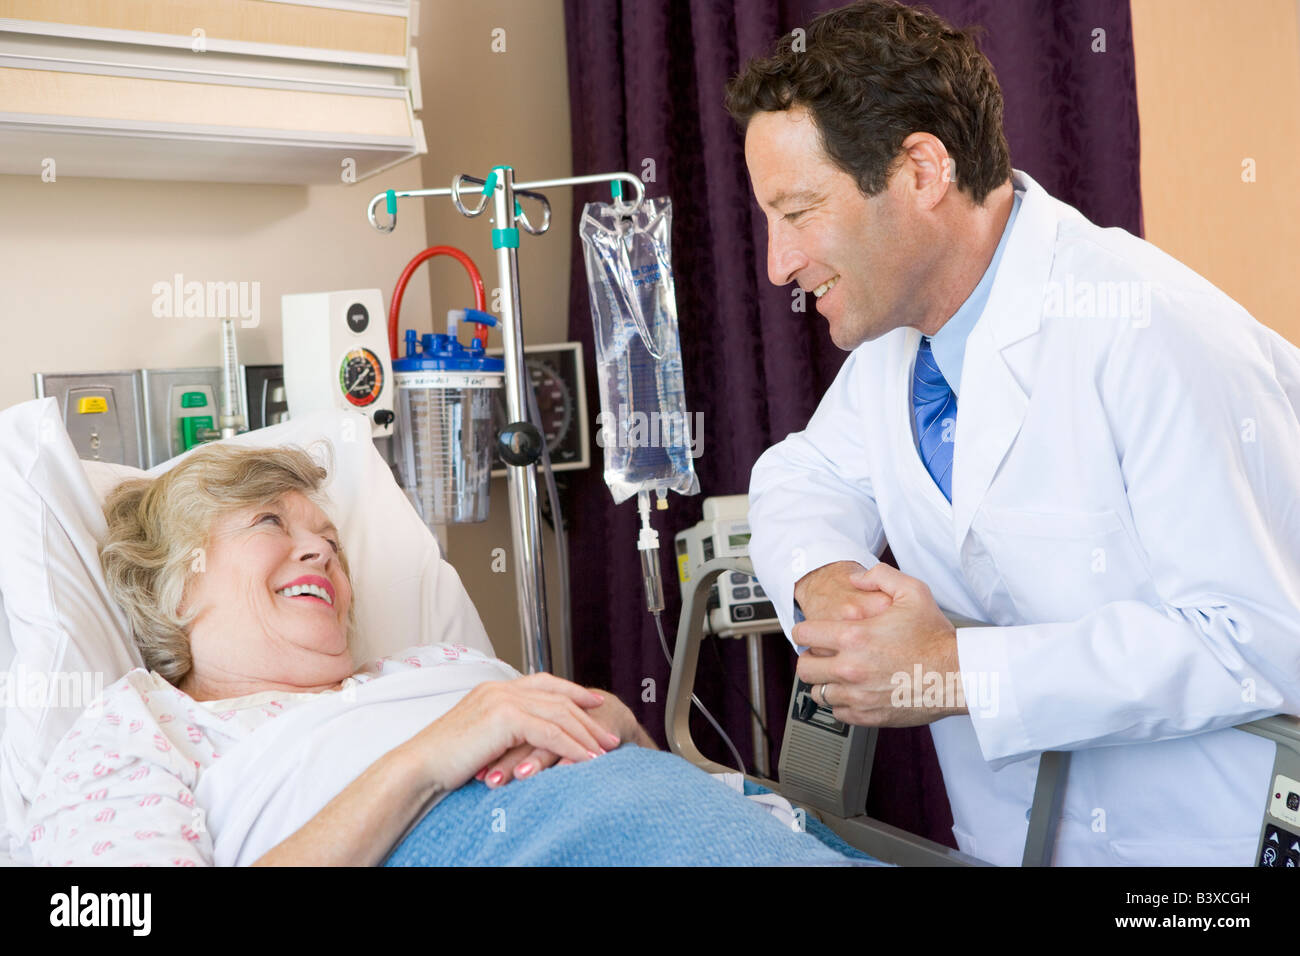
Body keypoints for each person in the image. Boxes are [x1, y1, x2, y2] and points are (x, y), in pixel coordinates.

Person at [729, 0, 1300, 866]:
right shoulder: (903, 339)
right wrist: (825, 577)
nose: (778, 265)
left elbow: (1260, 639)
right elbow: (805, 475)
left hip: (1192, 867)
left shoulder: (1147, 326)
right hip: (1008, 843)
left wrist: (955, 669)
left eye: (800, 211)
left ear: (921, 170)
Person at [23, 443, 860, 867]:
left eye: (331, 540)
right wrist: (431, 756)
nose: (320, 554)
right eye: (271, 524)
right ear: (175, 586)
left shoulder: (431, 665)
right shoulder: (144, 728)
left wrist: (618, 733)